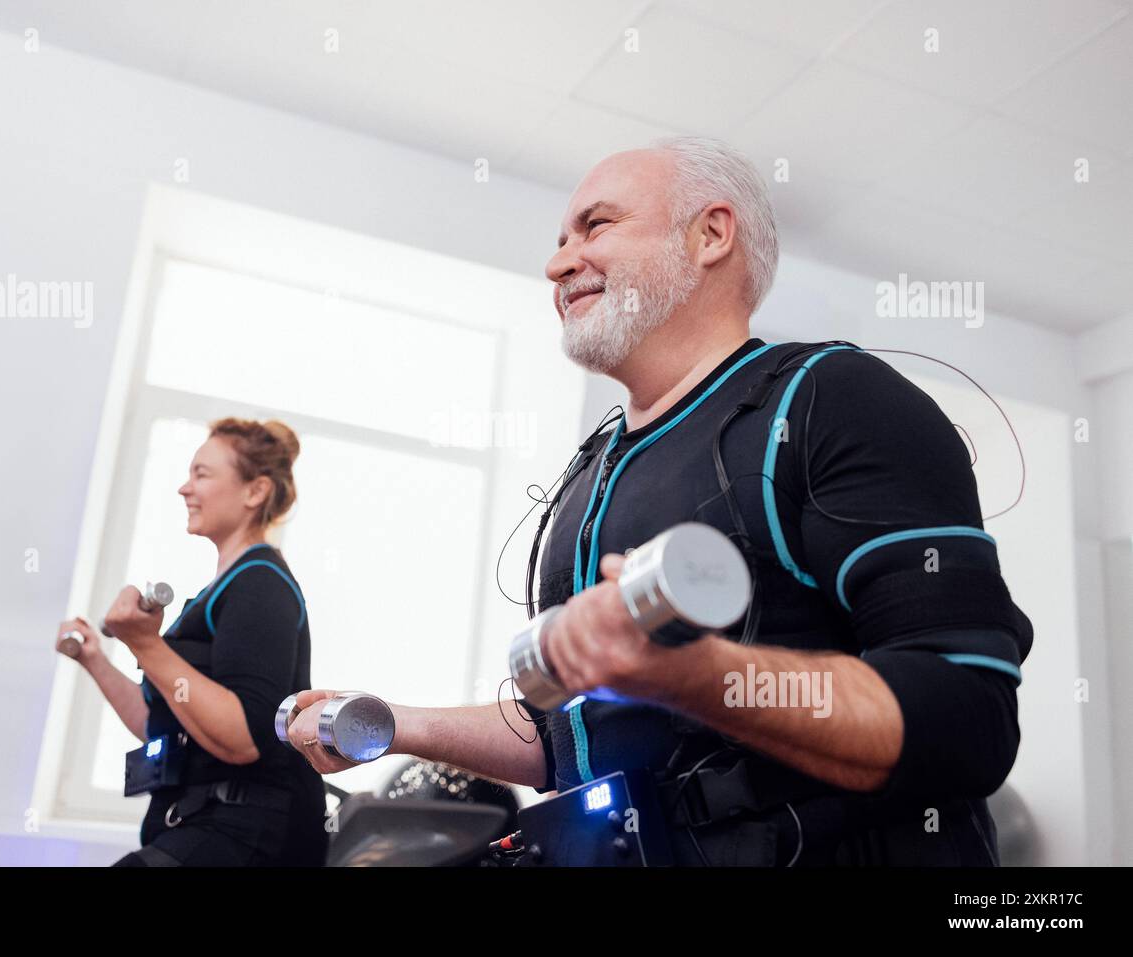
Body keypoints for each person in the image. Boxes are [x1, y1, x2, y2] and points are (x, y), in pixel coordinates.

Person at [285, 136, 1032, 866]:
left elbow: (967, 719)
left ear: (711, 234)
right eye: (559, 239)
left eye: (596, 226)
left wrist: (693, 675)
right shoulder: (592, 472)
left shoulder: (832, 400)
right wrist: (390, 722)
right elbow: (567, 737)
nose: (557, 262)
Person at [58, 417, 327, 866]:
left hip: (249, 834)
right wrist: (96, 659)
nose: (185, 488)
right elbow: (159, 723)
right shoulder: (219, 591)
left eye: (201, 474)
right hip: (197, 821)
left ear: (254, 492)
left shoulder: (261, 584)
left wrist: (146, 645)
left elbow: (243, 737)